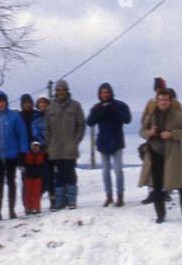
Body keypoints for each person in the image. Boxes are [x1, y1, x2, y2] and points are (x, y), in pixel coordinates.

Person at [140, 91, 182, 224]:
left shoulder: (178, 116)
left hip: (173, 154)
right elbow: (142, 131)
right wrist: (149, 133)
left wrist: (172, 134)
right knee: (157, 186)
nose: (163, 102)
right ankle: (160, 215)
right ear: (157, 101)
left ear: (170, 101)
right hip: (155, 153)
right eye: (161, 99)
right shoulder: (151, 116)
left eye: (166, 100)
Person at [0, 91, 27, 220]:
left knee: (11, 182)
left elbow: (22, 135)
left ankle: (12, 210)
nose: (1, 104)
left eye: (3, 101)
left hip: (11, 155)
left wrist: (22, 152)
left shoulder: (14, 117)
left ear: (6, 102)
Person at [87, 82, 132, 206]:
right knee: (105, 171)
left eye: (107, 92)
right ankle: (109, 196)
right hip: (103, 142)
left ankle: (120, 196)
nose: (105, 95)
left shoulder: (119, 105)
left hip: (116, 141)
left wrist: (113, 110)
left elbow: (128, 119)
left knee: (118, 170)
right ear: (99, 94)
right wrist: (100, 111)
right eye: (102, 93)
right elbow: (90, 122)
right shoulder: (97, 107)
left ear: (111, 93)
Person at [46, 79, 85, 211]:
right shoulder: (50, 107)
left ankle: (72, 200)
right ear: (55, 92)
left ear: (67, 91)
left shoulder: (75, 106)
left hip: (70, 147)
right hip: (55, 148)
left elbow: (81, 125)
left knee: (70, 173)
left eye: (63, 90)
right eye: (58, 90)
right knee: (59, 175)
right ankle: (60, 201)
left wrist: (75, 142)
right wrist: (49, 143)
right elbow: (47, 128)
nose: (60, 92)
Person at [21, 139, 47, 214]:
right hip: (28, 176)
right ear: (31, 147)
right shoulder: (27, 154)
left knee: (36, 193)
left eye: (37, 146)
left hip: (37, 176)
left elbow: (43, 164)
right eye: (34, 146)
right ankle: (28, 207)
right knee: (28, 192)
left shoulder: (41, 155)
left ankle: (36, 207)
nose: (35, 148)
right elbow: (23, 163)